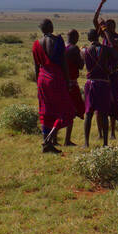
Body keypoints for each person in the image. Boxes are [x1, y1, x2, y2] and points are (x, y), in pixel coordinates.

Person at [31, 18, 73, 153]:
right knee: (66, 110)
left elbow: (36, 67)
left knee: (46, 110)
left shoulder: (36, 44)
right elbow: (64, 63)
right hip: (56, 77)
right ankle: (48, 140)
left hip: (42, 78)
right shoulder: (58, 41)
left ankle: (47, 143)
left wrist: (39, 83)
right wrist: (68, 81)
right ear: (50, 27)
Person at [81, 27, 114, 147]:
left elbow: (80, 65)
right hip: (103, 84)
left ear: (89, 38)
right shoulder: (105, 50)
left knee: (88, 114)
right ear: (98, 37)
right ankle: (105, 143)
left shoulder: (84, 50)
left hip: (90, 84)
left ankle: (86, 143)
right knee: (104, 114)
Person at [101, 18, 118, 141]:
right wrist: (99, 8)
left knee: (114, 103)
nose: (108, 28)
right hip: (104, 74)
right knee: (102, 104)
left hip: (114, 74)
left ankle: (112, 132)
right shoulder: (105, 36)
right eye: (107, 26)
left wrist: (105, 31)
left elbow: (112, 44)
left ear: (114, 27)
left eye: (110, 26)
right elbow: (95, 21)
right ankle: (101, 133)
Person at [63, 29, 84, 147]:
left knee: (61, 110)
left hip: (61, 83)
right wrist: (82, 54)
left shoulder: (62, 47)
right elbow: (80, 66)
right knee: (72, 111)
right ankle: (67, 140)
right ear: (75, 37)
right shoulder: (74, 48)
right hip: (71, 84)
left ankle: (54, 138)